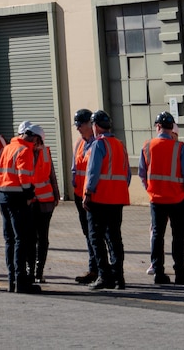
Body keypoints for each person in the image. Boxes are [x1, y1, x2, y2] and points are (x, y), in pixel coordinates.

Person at [140, 112, 184, 285]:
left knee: (157, 236)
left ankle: (159, 272)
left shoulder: (147, 146)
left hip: (157, 199)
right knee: (179, 237)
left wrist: (150, 189)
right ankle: (180, 273)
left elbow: (142, 174)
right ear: (171, 128)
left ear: (158, 127)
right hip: (177, 198)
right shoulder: (179, 147)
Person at [0, 120, 44, 293]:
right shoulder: (25, 150)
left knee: (9, 239)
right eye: (37, 141)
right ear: (32, 137)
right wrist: (30, 195)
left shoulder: (7, 148)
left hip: (3, 196)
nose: (37, 145)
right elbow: (24, 177)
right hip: (17, 199)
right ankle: (21, 281)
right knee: (21, 239)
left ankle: (12, 281)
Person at [82, 110, 130, 290]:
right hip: (117, 198)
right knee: (115, 238)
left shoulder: (98, 144)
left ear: (95, 126)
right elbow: (127, 174)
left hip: (99, 198)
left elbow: (93, 172)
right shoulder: (119, 144)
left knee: (96, 237)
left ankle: (104, 275)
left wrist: (88, 193)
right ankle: (119, 277)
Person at [69, 109, 102, 285]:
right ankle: (94, 268)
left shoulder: (100, 143)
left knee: (99, 234)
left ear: (90, 124)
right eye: (77, 125)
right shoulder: (79, 144)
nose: (78, 129)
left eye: (80, 125)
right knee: (88, 234)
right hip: (80, 195)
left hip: (94, 196)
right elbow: (75, 168)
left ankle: (104, 268)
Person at [27, 123, 58, 285]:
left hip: (45, 202)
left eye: (38, 139)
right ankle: (30, 271)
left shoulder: (46, 152)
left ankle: (39, 271)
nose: (36, 142)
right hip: (30, 202)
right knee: (31, 238)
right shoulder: (24, 152)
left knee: (43, 239)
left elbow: (51, 174)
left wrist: (56, 194)